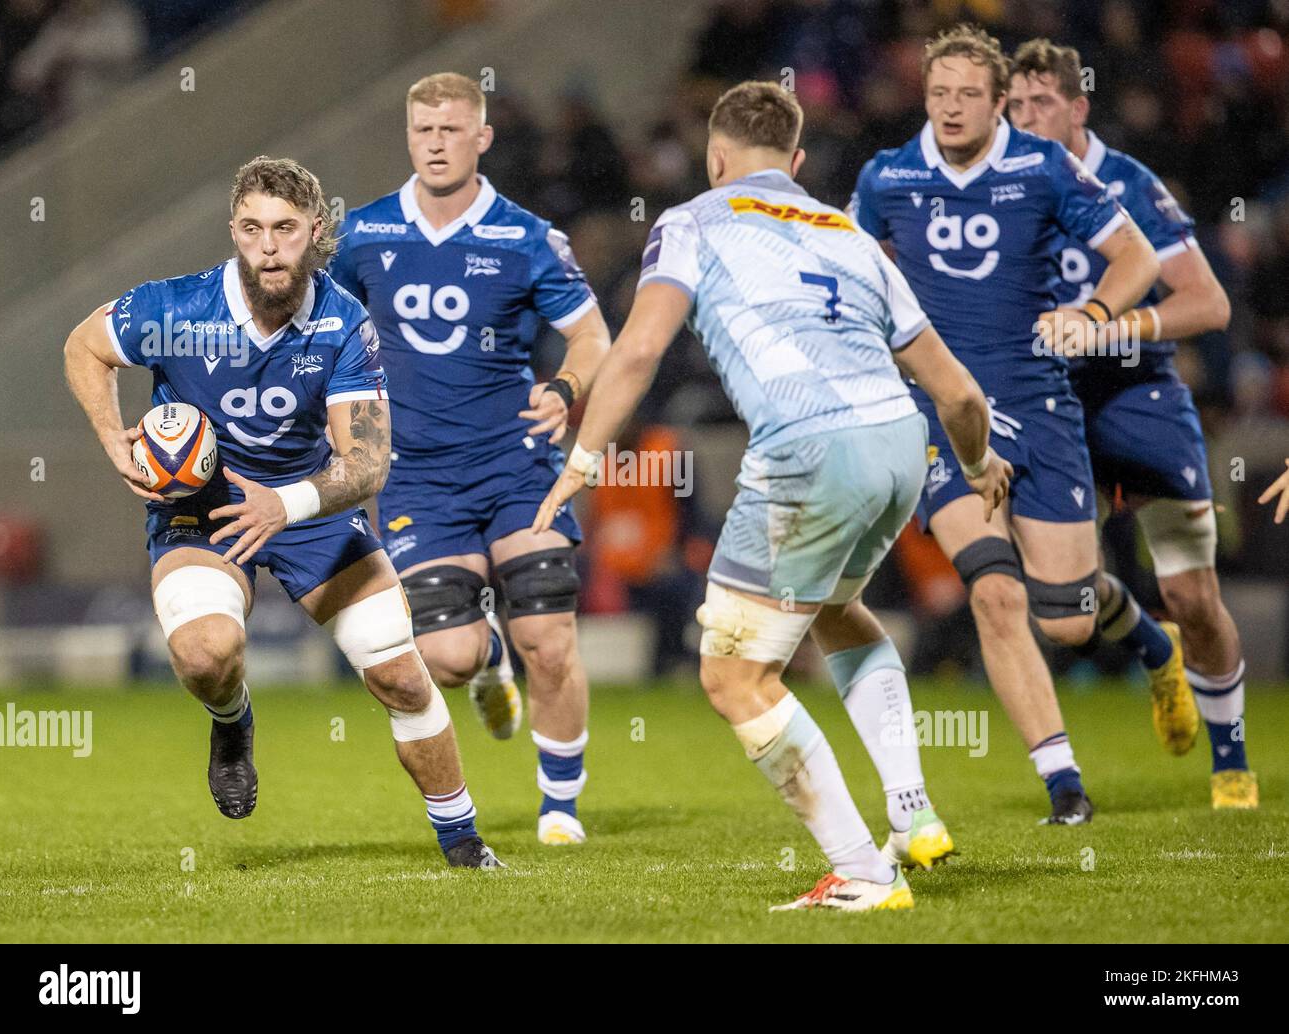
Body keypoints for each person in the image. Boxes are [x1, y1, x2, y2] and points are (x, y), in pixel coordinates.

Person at [535, 81, 1008, 911]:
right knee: (837, 609)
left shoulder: (692, 220)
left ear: (717, 160)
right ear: (794, 163)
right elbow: (961, 395)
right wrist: (976, 468)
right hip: (902, 445)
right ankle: (913, 812)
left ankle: (863, 872)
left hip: (809, 450)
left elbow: (641, 348)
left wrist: (583, 458)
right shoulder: (852, 234)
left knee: (734, 678)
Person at [63, 156, 502, 868]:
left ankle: (464, 844)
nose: (269, 246)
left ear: (314, 231)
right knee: (206, 656)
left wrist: (287, 504)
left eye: (286, 229)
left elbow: (366, 464)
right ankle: (232, 722)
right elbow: (84, 344)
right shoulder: (176, 309)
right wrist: (113, 438)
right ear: (235, 231)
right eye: (252, 228)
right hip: (204, 511)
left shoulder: (341, 324)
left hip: (312, 506)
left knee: (397, 672)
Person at [850, 23, 1160, 824]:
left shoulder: (1042, 166)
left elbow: (1139, 259)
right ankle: (1065, 784)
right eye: (938, 93)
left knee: (1067, 620)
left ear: (999, 106)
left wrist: (1092, 312)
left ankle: (1149, 640)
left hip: (1037, 399)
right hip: (940, 408)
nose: (951, 109)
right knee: (993, 590)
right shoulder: (886, 177)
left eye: (968, 96)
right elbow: (847, 269)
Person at [329, 73, 612, 846]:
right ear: (409, 135)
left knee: (550, 636)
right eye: (424, 130)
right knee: (446, 660)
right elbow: (317, 329)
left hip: (516, 462)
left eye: (453, 130)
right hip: (418, 472)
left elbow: (594, 337)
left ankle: (560, 807)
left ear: (482, 138)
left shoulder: (526, 237)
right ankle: (488, 658)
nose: (437, 143)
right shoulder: (361, 235)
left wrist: (565, 385)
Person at [1008, 38, 1255, 810]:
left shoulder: (1129, 184)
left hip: (1138, 395)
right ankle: (1153, 649)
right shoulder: (1005, 186)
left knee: (1191, 591)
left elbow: (1208, 304)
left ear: (1079, 108)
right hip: (1046, 401)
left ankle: (1230, 761)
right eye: (1013, 104)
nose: (1023, 117)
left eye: (1039, 102)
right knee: (1065, 596)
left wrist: (1106, 326)